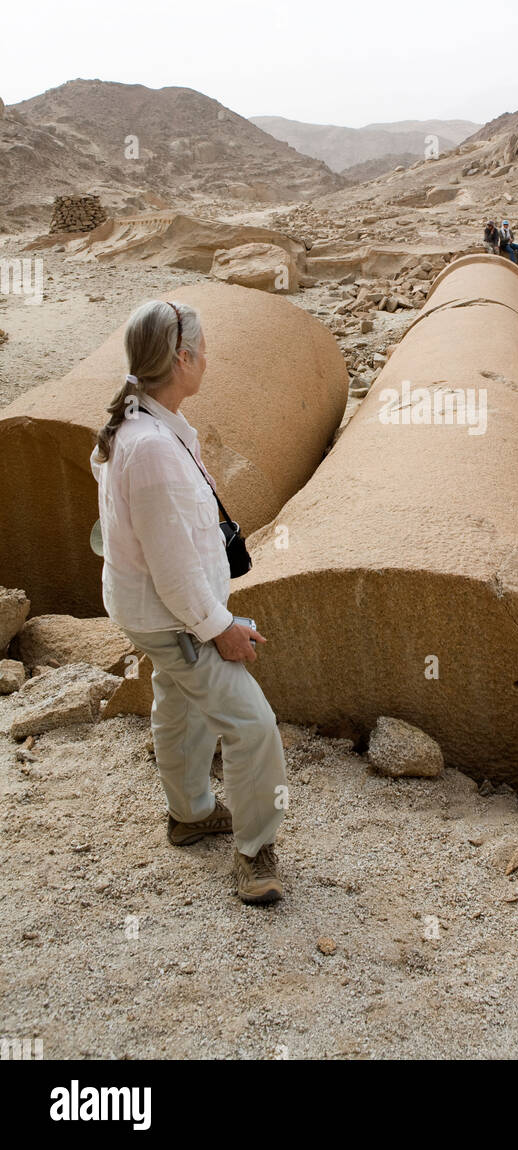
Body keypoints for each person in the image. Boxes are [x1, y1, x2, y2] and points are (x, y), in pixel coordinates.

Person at [91, 299, 288, 905]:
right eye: (202, 351)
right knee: (252, 726)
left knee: (178, 705)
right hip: (174, 617)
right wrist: (219, 626)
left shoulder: (141, 426)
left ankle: (190, 813)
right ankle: (255, 853)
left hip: (148, 612)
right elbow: (172, 565)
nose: (209, 359)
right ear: (182, 358)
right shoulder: (150, 446)